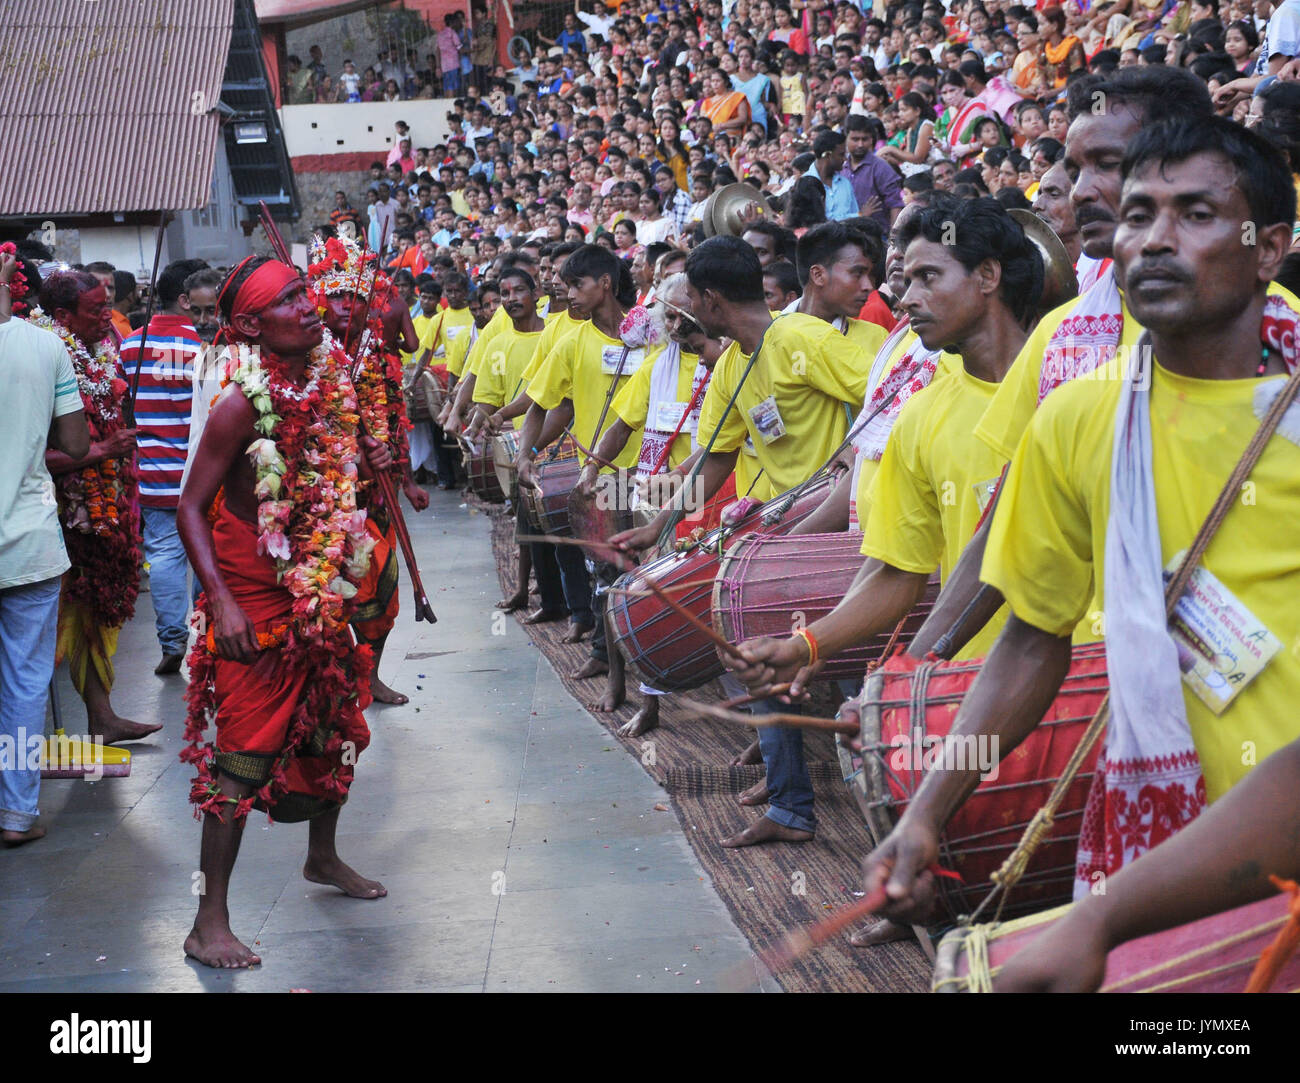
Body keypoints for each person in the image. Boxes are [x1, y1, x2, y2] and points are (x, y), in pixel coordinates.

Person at [860, 114, 1300, 933]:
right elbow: (1032, 636)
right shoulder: (1074, 420)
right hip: (1159, 876)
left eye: (1195, 215)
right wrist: (928, 809)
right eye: (1138, 216)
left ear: (1268, 247)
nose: (1156, 241)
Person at [726, 199, 1040, 866]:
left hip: (1084, 679)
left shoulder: (1070, 383)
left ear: (988, 277)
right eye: (905, 278)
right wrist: (805, 645)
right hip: (972, 689)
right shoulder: (920, 416)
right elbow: (897, 572)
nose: (905, 295)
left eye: (929, 277)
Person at [610, 235, 883, 847]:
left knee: (852, 675)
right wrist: (656, 528)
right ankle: (792, 807)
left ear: (711, 300)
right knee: (760, 655)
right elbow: (713, 458)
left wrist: (849, 458)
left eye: (685, 305)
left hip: (839, 534)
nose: (680, 319)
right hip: (778, 541)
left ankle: (890, 814)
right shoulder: (733, 362)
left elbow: (889, 397)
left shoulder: (804, 340)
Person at [178, 256, 391, 969]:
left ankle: (322, 857)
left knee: (336, 723)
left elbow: (336, 479)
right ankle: (209, 918)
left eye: (306, 291)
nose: (308, 306)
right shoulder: (241, 402)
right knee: (239, 758)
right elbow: (188, 506)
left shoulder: (329, 380)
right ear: (248, 326)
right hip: (255, 596)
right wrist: (223, 602)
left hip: (319, 583)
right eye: (289, 299)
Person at [579, 273, 731, 737]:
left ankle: (721, 687)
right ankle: (633, 691)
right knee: (626, 588)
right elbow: (623, 425)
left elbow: (723, 450)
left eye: (682, 314)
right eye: (668, 314)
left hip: (715, 498)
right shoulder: (655, 365)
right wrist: (591, 471)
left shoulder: (726, 361)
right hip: (654, 498)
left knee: (709, 600)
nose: (675, 323)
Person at [35, 271, 154, 746]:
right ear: (61, 317)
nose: (108, 317)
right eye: (96, 310)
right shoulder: (42, 358)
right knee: (52, 631)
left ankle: (103, 718)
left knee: (97, 615)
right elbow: (28, 455)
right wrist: (104, 452)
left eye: (108, 306)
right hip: (58, 519)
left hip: (105, 515)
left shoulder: (99, 351)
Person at [0, 252, 90, 846]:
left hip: (32, 547)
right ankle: (16, 813)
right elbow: (77, 442)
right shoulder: (44, 347)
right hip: (28, 542)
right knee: (27, 682)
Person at [119, 258, 208, 675]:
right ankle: (207, 638)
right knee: (208, 555)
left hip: (154, 476)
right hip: (203, 475)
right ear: (187, 300)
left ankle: (172, 641)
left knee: (165, 556)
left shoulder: (128, 346)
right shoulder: (207, 349)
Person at [465, 265, 546, 612]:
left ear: (536, 293)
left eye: (518, 292)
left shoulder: (555, 334)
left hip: (555, 439)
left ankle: (555, 594)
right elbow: (487, 396)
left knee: (553, 524)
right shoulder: (497, 344)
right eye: (505, 294)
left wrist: (501, 416)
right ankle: (525, 590)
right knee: (526, 523)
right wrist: (475, 422)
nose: (511, 300)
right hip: (515, 446)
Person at [843, 114, 904, 229]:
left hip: (876, 235)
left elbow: (895, 205)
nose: (860, 144)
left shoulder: (881, 168)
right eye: (855, 139)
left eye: (864, 139)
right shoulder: (841, 167)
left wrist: (893, 238)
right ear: (846, 138)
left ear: (871, 140)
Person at [804, 130, 858, 220]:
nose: (845, 159)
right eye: (841, 154)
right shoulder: (804, 185)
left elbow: (856, 219)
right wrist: (859, 215)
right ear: (828, 155)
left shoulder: (845, 184)